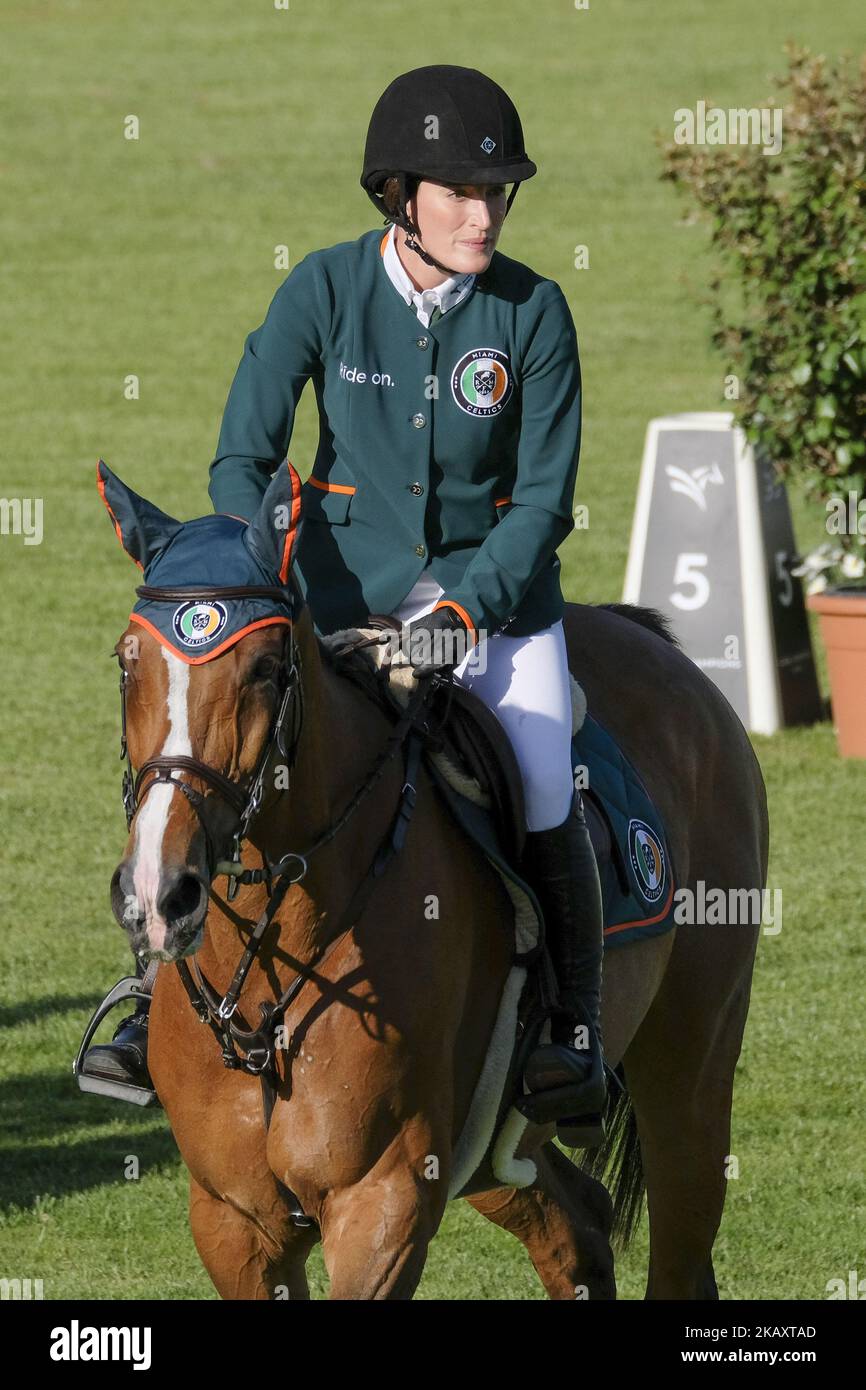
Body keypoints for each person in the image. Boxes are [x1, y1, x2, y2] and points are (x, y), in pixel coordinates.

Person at [78, 65, 607, 1144]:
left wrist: (467, 609)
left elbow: (545, 500)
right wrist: (260, 569)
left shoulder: (532, 312)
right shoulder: (320, 291)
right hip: (331, 603)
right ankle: (147, 995)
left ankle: (571, 1027)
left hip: (491, 613)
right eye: (458, 191)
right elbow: (242, 457)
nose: (483, 212)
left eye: (497, 192)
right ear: (397, 196)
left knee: (546, 776)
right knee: (211, 757)